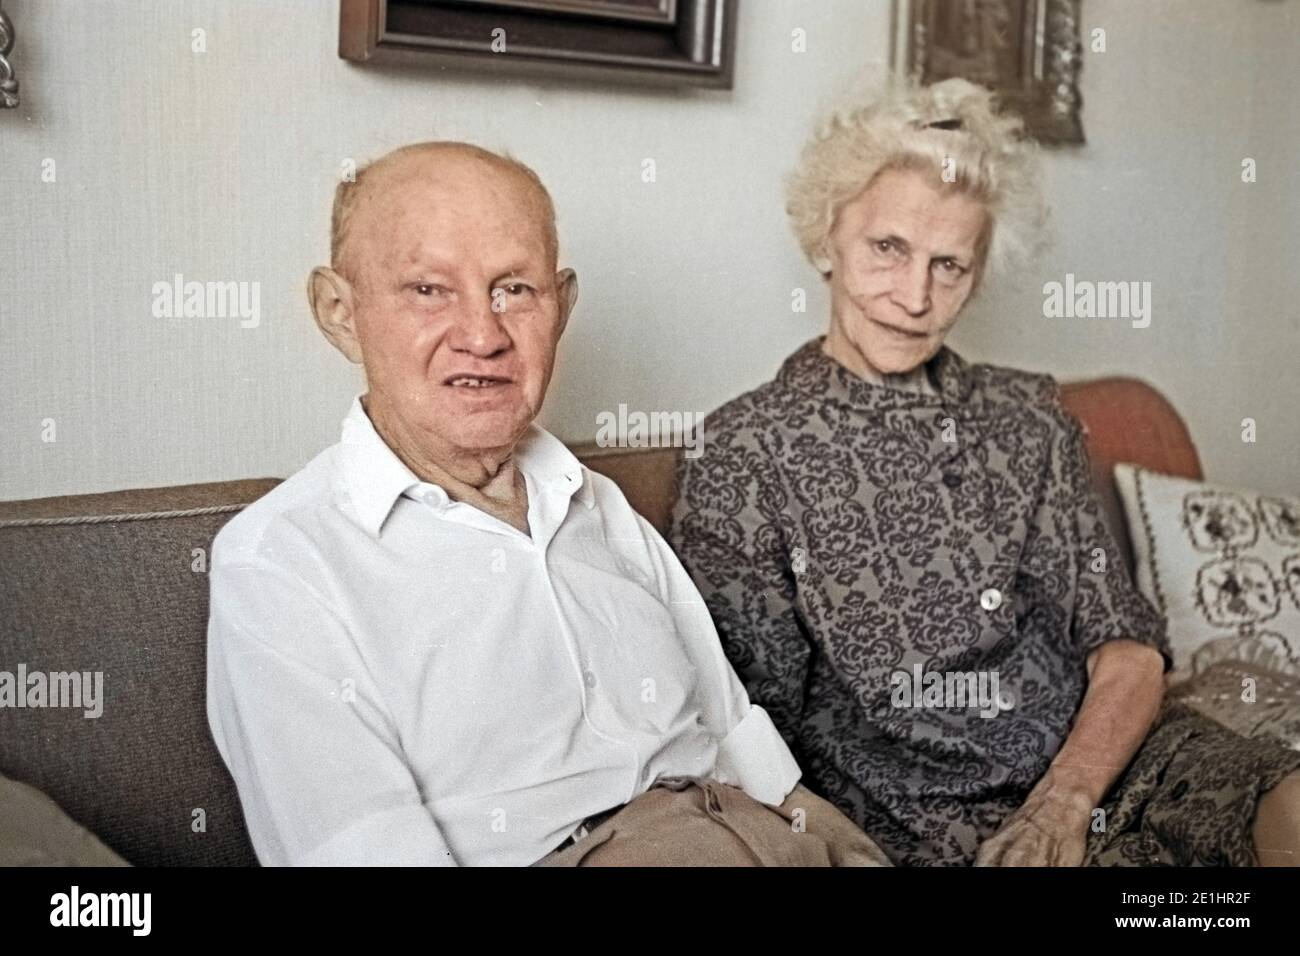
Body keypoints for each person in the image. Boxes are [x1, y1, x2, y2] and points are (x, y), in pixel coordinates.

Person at [668, 79, 1300, 866]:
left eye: (950, 266)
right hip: (917, 820)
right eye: (888, 249)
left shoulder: (1029, 417)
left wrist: (1064, 805)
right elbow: (749, 723)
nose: (913, 297)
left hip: (1104, 772)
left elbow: (1128, 648)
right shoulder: (744, 453)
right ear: (828, 236)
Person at [205, 141, 886, 867]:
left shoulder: (596, 502)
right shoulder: (282, 561)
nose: (483, 335)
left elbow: (740, 742)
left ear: (561, 306)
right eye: (429, 290)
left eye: (515, 290)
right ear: (339, 312)